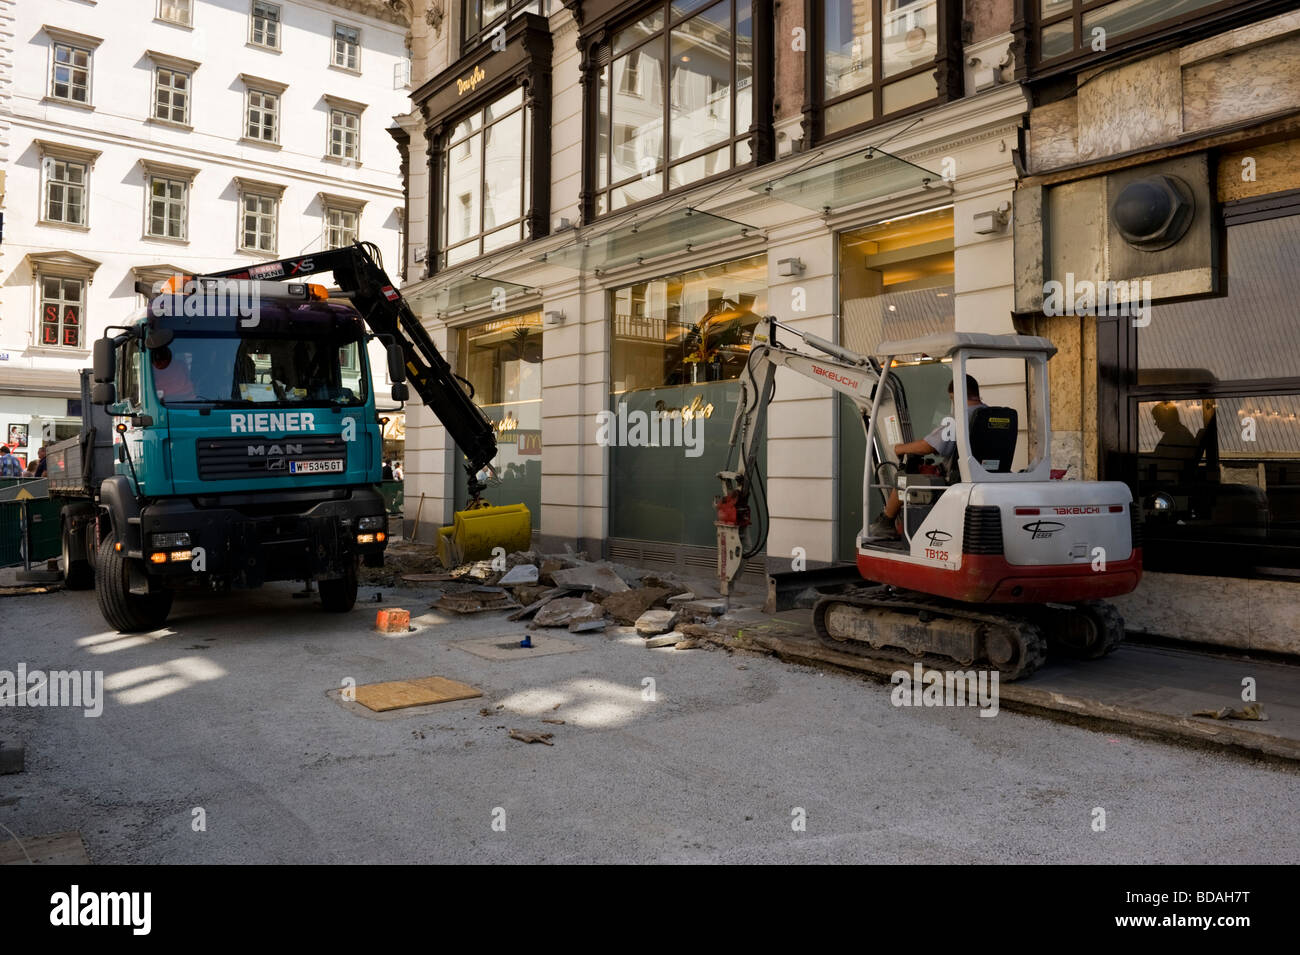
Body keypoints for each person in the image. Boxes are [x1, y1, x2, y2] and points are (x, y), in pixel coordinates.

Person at [868, 375, 986, 541]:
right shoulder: (990, 415)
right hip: (984, 476)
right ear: (976, 393)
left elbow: (928, 446)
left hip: (954, 480)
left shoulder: (959, 418)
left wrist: (900, 448)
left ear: (954, 396)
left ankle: (886, 523)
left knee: (905, 476)